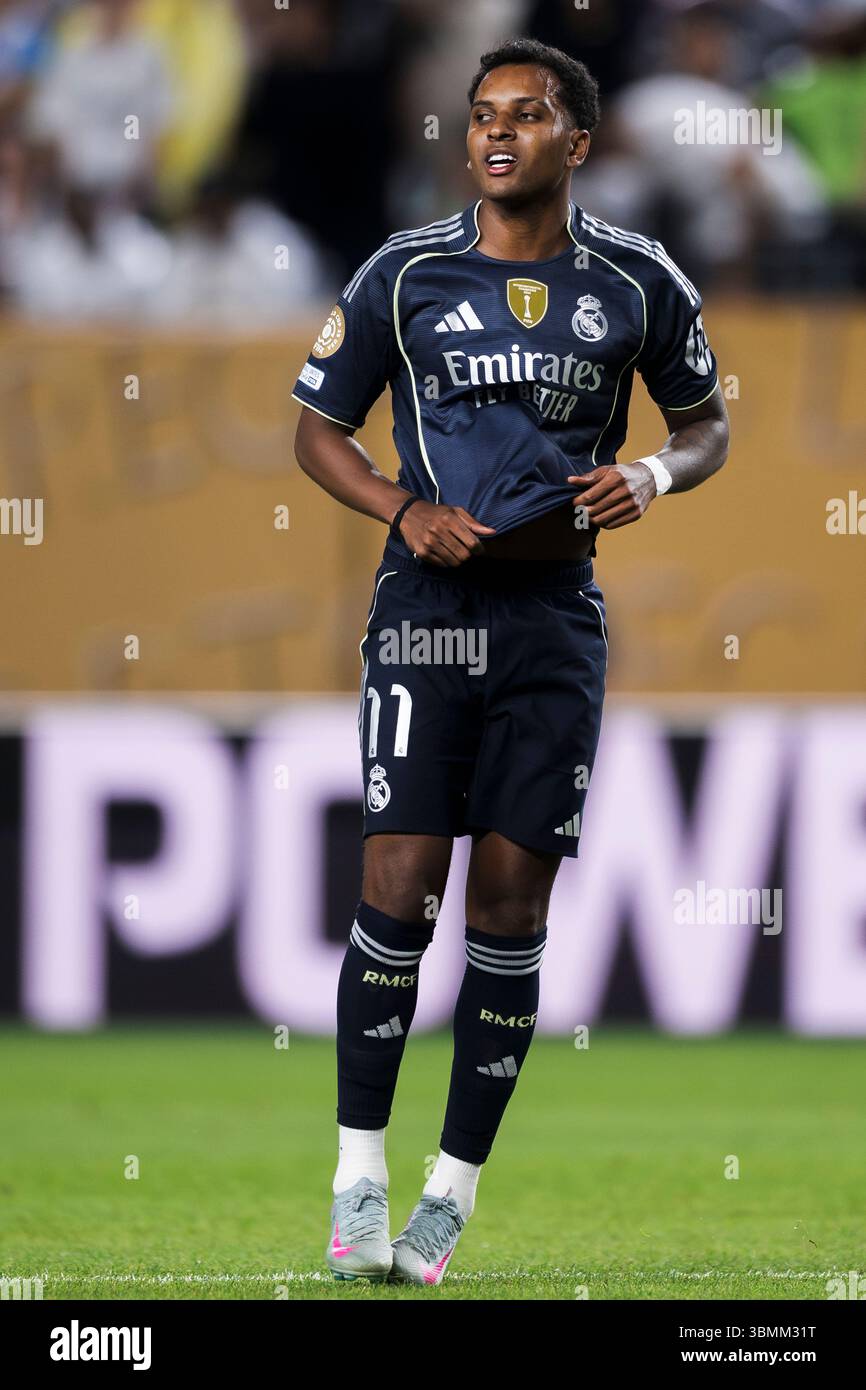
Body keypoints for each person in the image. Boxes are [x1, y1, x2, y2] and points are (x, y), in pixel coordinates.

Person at [292, 36, 729, 1287]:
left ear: (574, 143)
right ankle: (357, 1179)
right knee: (397, 886)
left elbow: (704, 427)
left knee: (508, 911)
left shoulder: (636, 282)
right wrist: (396, 505)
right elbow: (317, 428)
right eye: (483, 115)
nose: (495, 133)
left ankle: (448, 1192)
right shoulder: (406, 272)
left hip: (552, 622)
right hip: (426, 608)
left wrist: (645, 470)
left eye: (526, 116)